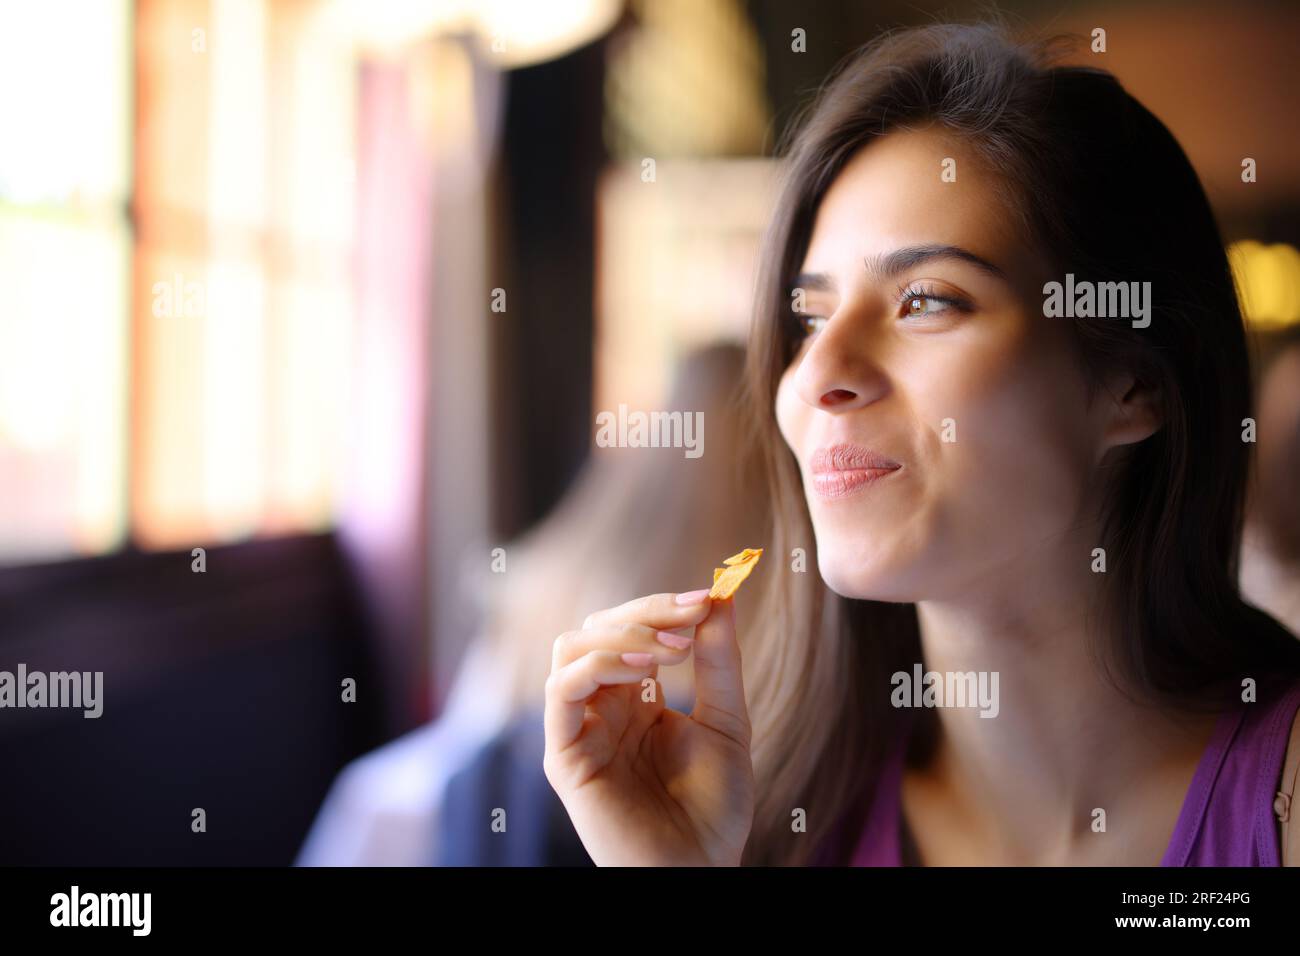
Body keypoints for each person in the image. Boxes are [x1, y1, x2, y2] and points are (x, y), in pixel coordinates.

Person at [542, 22, 1300, 867]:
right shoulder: (775, 822)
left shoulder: (1280, 802)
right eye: (809, 317)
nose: (817, 373)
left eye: (927, 301)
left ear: (1135, 385)